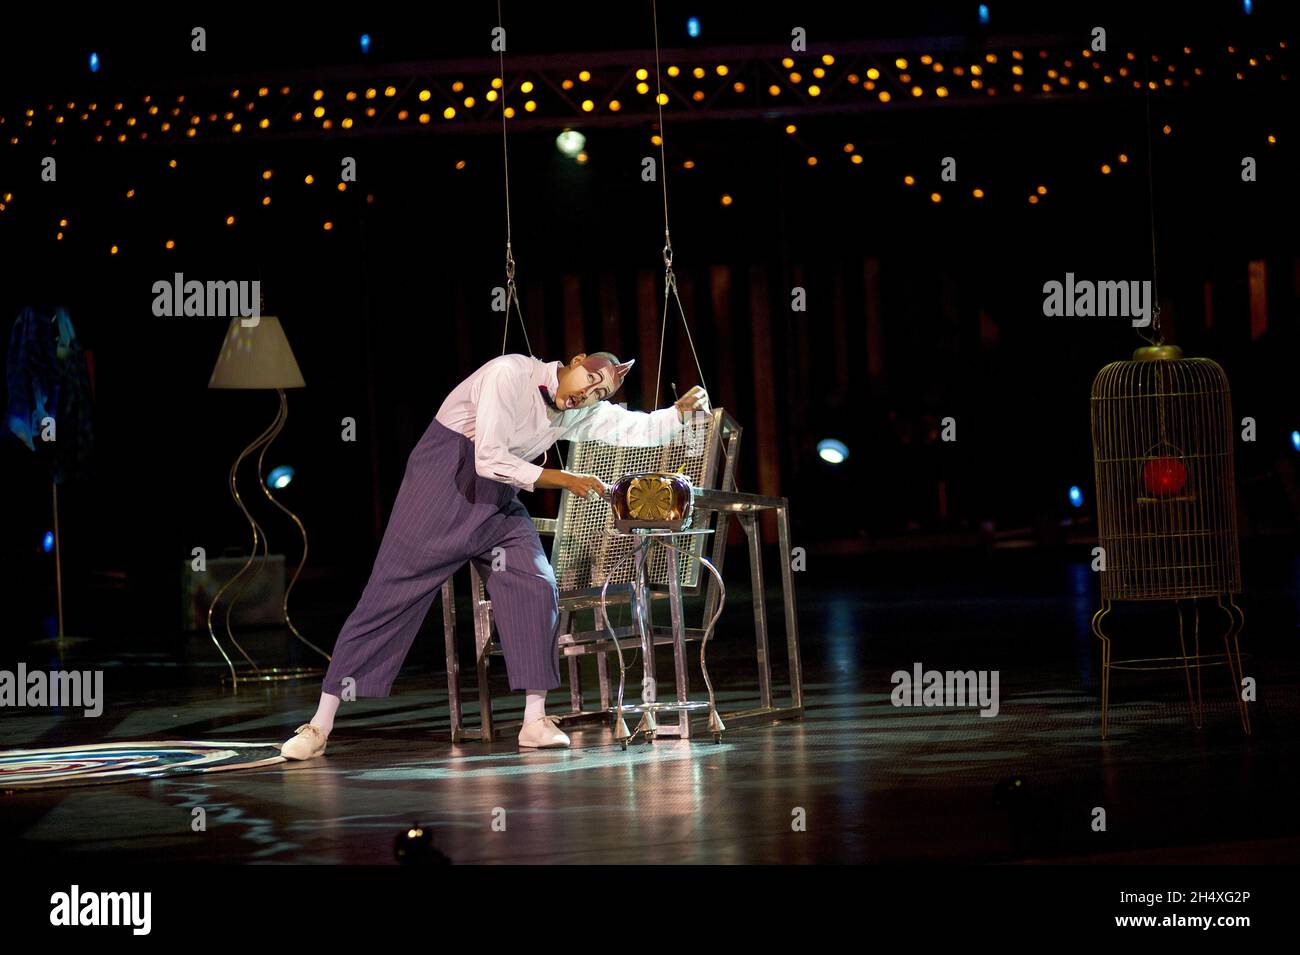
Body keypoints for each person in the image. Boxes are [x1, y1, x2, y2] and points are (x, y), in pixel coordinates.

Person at [281, 351, 709, 757]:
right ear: (576, 361)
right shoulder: (510, 374)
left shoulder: (578, 409)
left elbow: (630, 428)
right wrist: (563, 479)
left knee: (536, 584)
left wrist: (678, 413)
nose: (588, 394)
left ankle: (534, 720)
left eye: (599, 394)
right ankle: (319, 725)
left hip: (498, 502)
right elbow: (487, 458)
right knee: (388, 598)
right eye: (589, 381)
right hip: (443, 485)